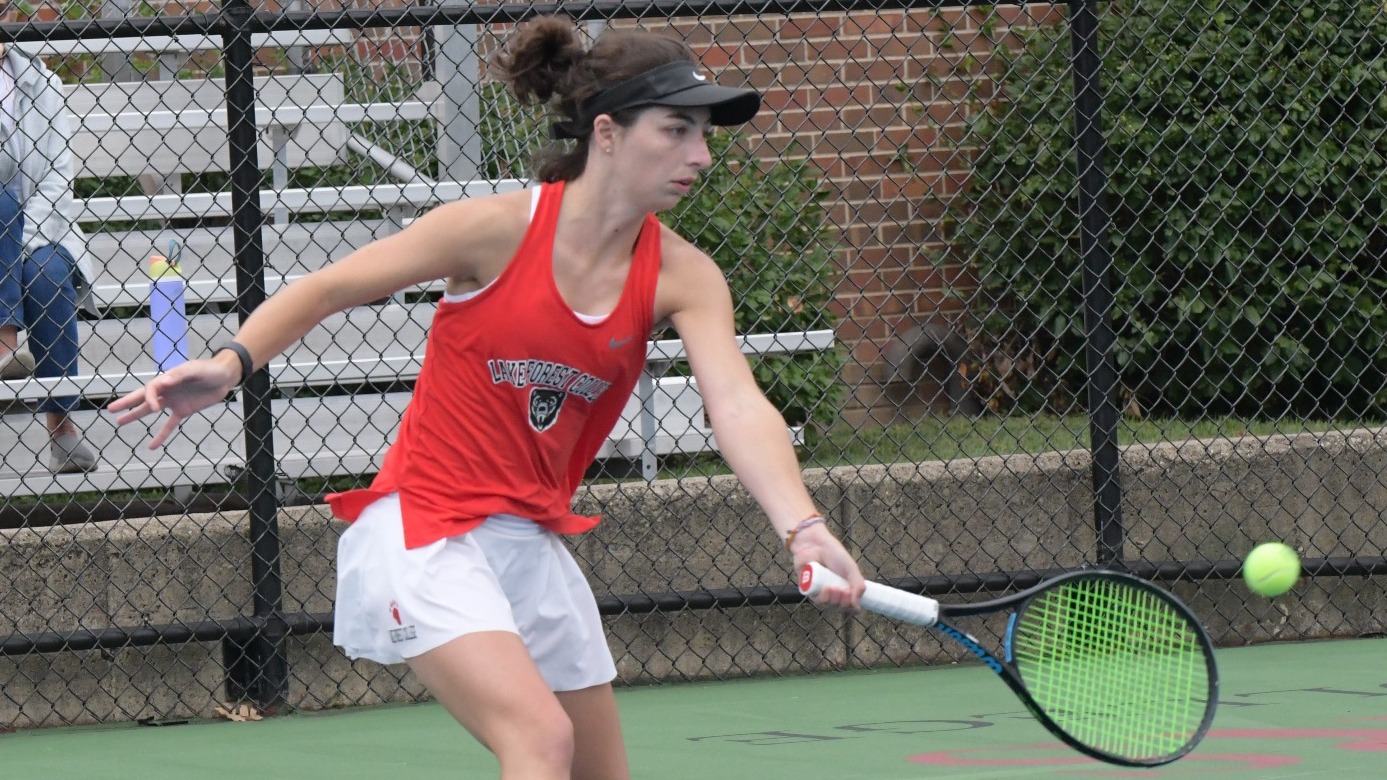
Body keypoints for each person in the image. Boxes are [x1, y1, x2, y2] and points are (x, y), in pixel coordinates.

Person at [109, 15, 866, 780]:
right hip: (425, 528)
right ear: (606, 133)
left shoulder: (684, 275)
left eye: (702, 135)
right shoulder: (492, 230)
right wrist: (232, 363)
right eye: (675, 131)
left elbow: (735, 404)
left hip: (526, 543)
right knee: (539, 742)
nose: (699, 156)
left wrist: (801, 526)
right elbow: (327, 286)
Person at [0, 29, 97, 473]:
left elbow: (58, 178)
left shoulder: (42, 84)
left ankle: (62, 427)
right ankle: (4, 340)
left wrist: (19, 243)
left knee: (48, 275)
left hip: (37, 227)